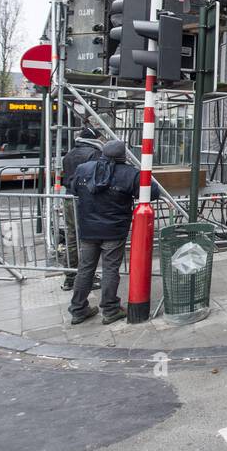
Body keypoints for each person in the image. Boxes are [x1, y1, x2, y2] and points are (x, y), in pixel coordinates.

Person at [67, 139, 142, 325]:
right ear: (123, 156)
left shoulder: (84, 169)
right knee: (110, 269)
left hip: (88, 228)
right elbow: (151, 192)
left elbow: (74, 189)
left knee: (85, 269)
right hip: (113, 229)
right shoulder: (129, 174)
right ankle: (110, 309)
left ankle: (78, 309)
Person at [60, 125, 104, 292]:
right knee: (87, 239)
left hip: (70, 198)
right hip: (86, 200)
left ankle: (70, 276)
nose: (102, 141)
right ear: (94, 138)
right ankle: (86, 278)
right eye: (100, 138)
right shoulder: (94, 153)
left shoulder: (70, 154)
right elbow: (97, 179)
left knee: (72, 236)